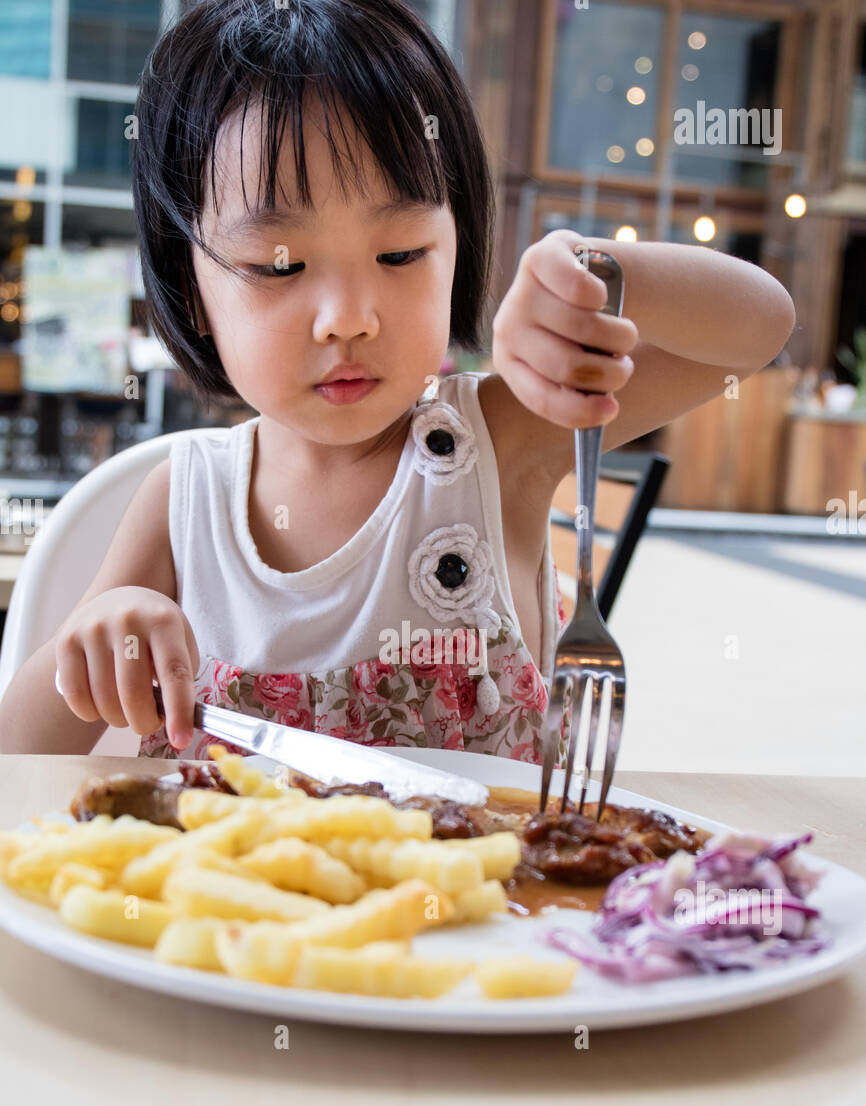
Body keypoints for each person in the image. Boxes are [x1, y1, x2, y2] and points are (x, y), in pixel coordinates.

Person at [0, 0, 795, 763]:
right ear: (191, 288)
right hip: (239, 906)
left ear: (457, 246)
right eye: (280, 264)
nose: (348, 318)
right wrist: (97, 640)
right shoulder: (183, 502)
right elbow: (16, 756)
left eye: (400, 255)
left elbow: (759, 327)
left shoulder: (499, 441)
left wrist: (601, 280)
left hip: (501, 903)